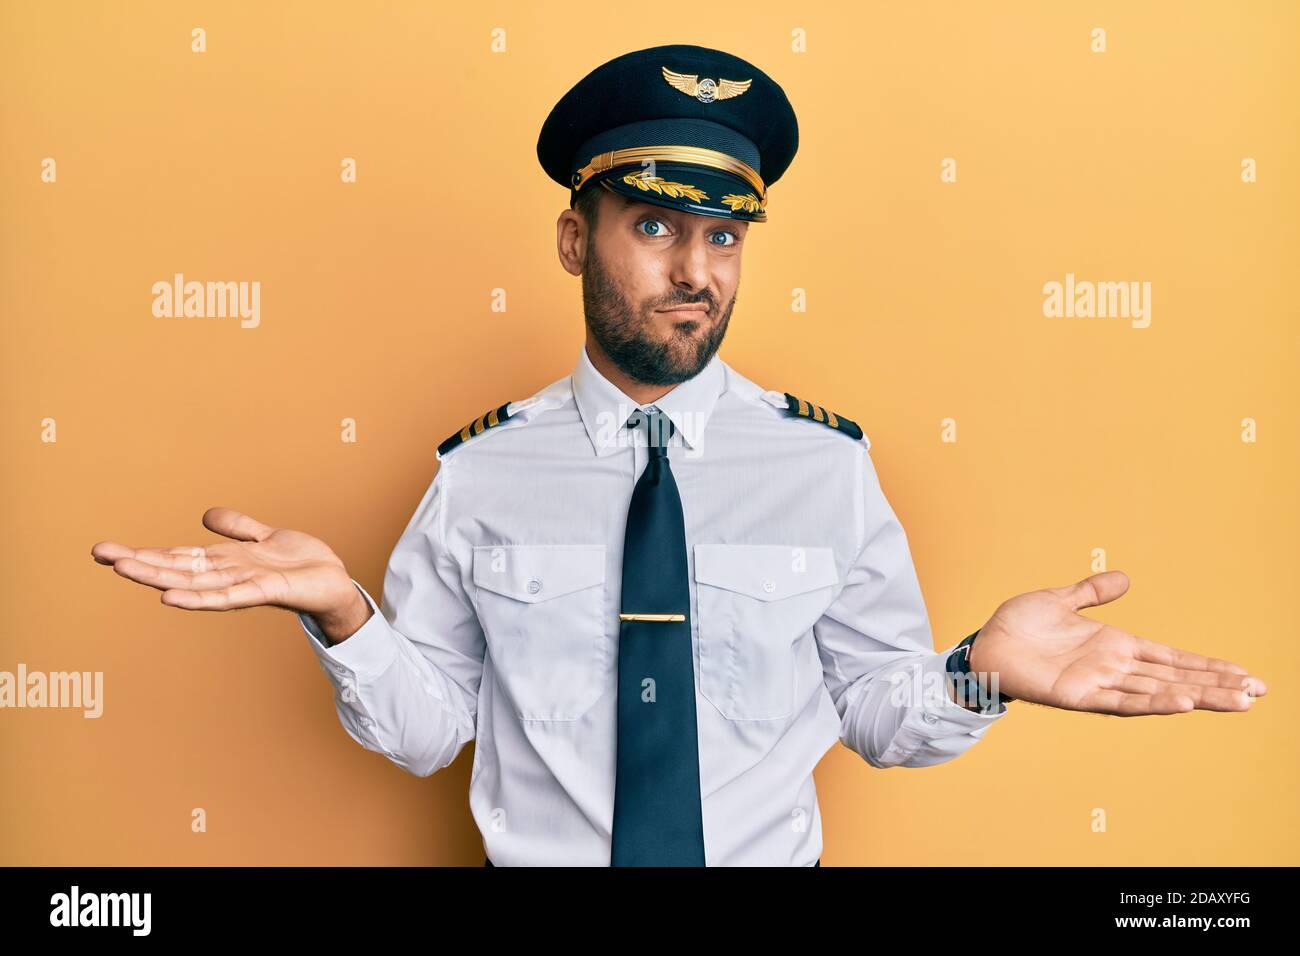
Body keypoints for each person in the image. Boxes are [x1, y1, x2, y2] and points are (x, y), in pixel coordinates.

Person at [91, 44, 1268, 867]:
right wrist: (347, 613)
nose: (693, 270)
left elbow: (876, 715)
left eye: (722, 234)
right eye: (653, 225)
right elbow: (427, 730)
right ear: (574, 237)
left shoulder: (826, 467)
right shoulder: (479, 474)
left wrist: (976, 668)